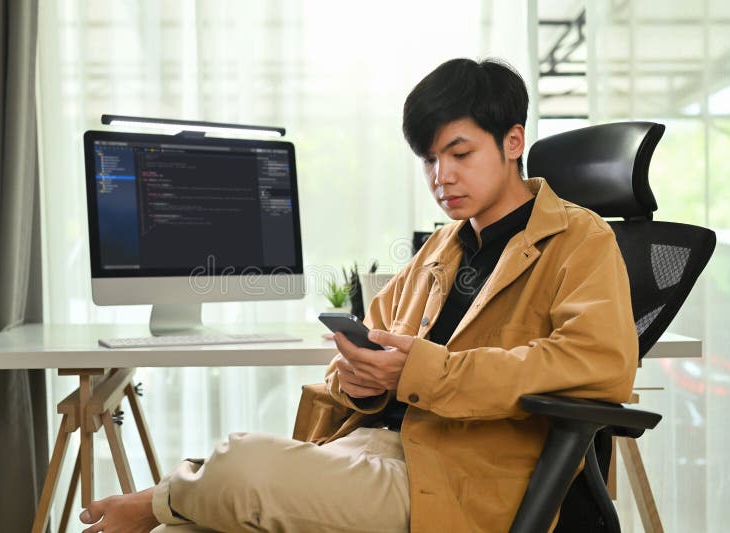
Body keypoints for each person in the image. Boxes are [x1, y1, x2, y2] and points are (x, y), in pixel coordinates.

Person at [79, 57, 637, 533]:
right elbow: (371, 349)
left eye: (459, 153)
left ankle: (153, 502)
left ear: (513, 142)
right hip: (371, 447)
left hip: (462, 473)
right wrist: (359, 379)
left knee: (239, 466)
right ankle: (166, 506)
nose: (441, 175)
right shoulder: (439, 247)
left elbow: (597, 363)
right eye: (428, 160)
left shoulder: (579, 239)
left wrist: (418, 372)